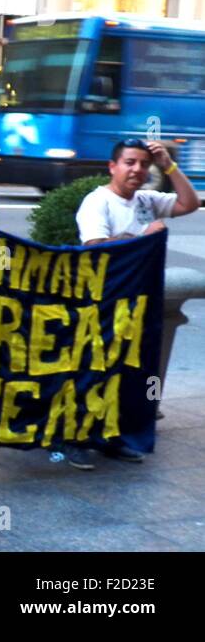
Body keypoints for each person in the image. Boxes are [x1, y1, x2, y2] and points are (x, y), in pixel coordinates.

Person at [63, 137, 201, 469]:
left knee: (124, 374)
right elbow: (95, 247)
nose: (137, 170)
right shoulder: (97, 202)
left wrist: (169, 165)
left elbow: (190, 203)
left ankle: (111, 437)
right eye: (129, 163)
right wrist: (144, 238)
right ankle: (74, 440)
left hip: (138, 303)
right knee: (91, 373)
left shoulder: (146, 199)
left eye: (143, 164)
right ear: (113, 167)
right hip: (104, 303)